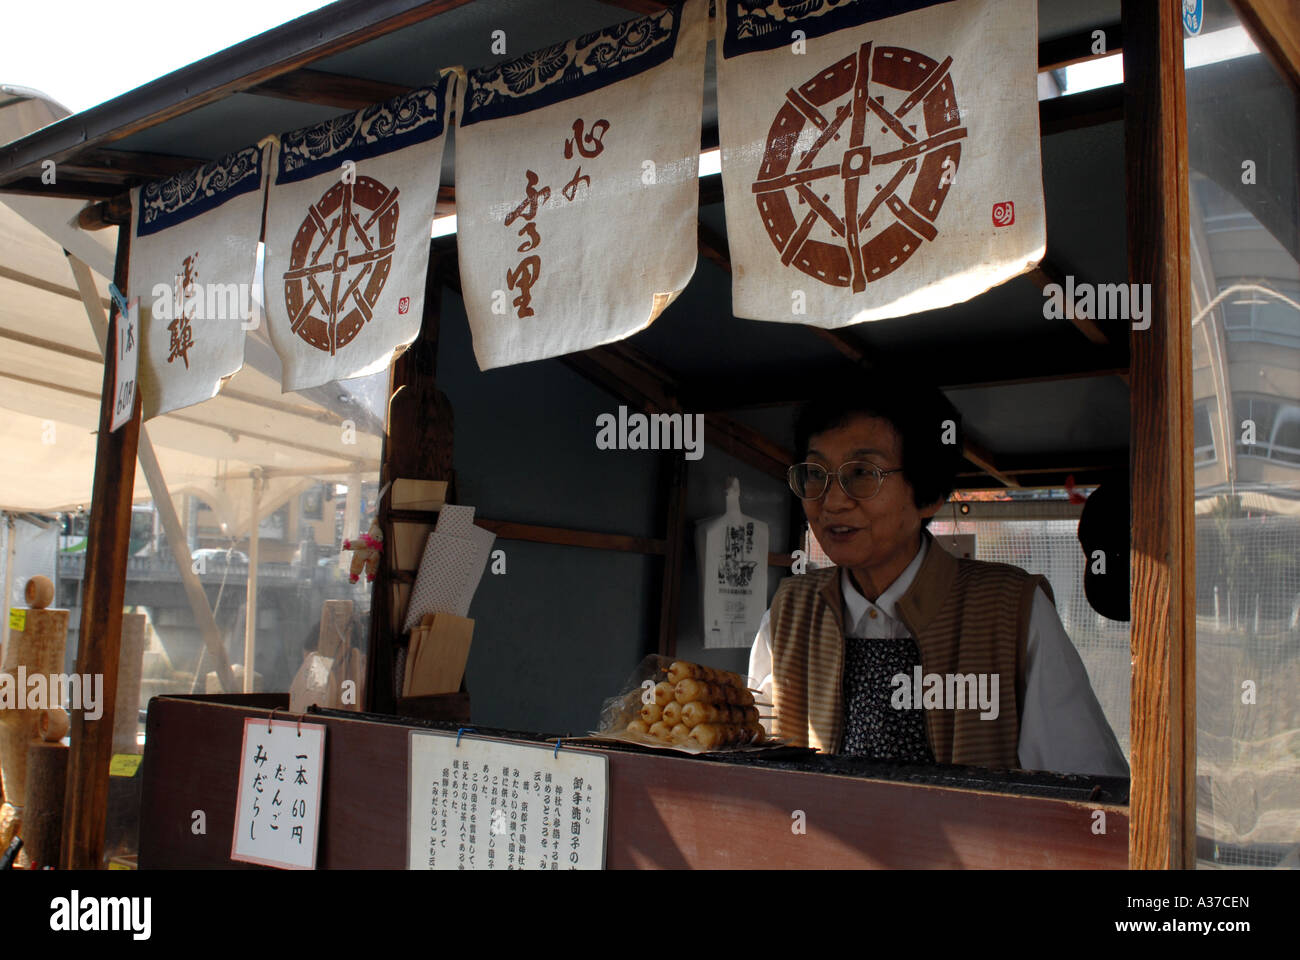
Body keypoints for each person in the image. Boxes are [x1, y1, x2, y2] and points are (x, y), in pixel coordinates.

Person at [748, 374, 1128, 777]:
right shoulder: (790, 612)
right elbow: (749, 751)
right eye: (816, 474)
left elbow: (1087, 787)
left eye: (862, 473)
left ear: (928, 494)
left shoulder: (1010, 611)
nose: (833, 501)